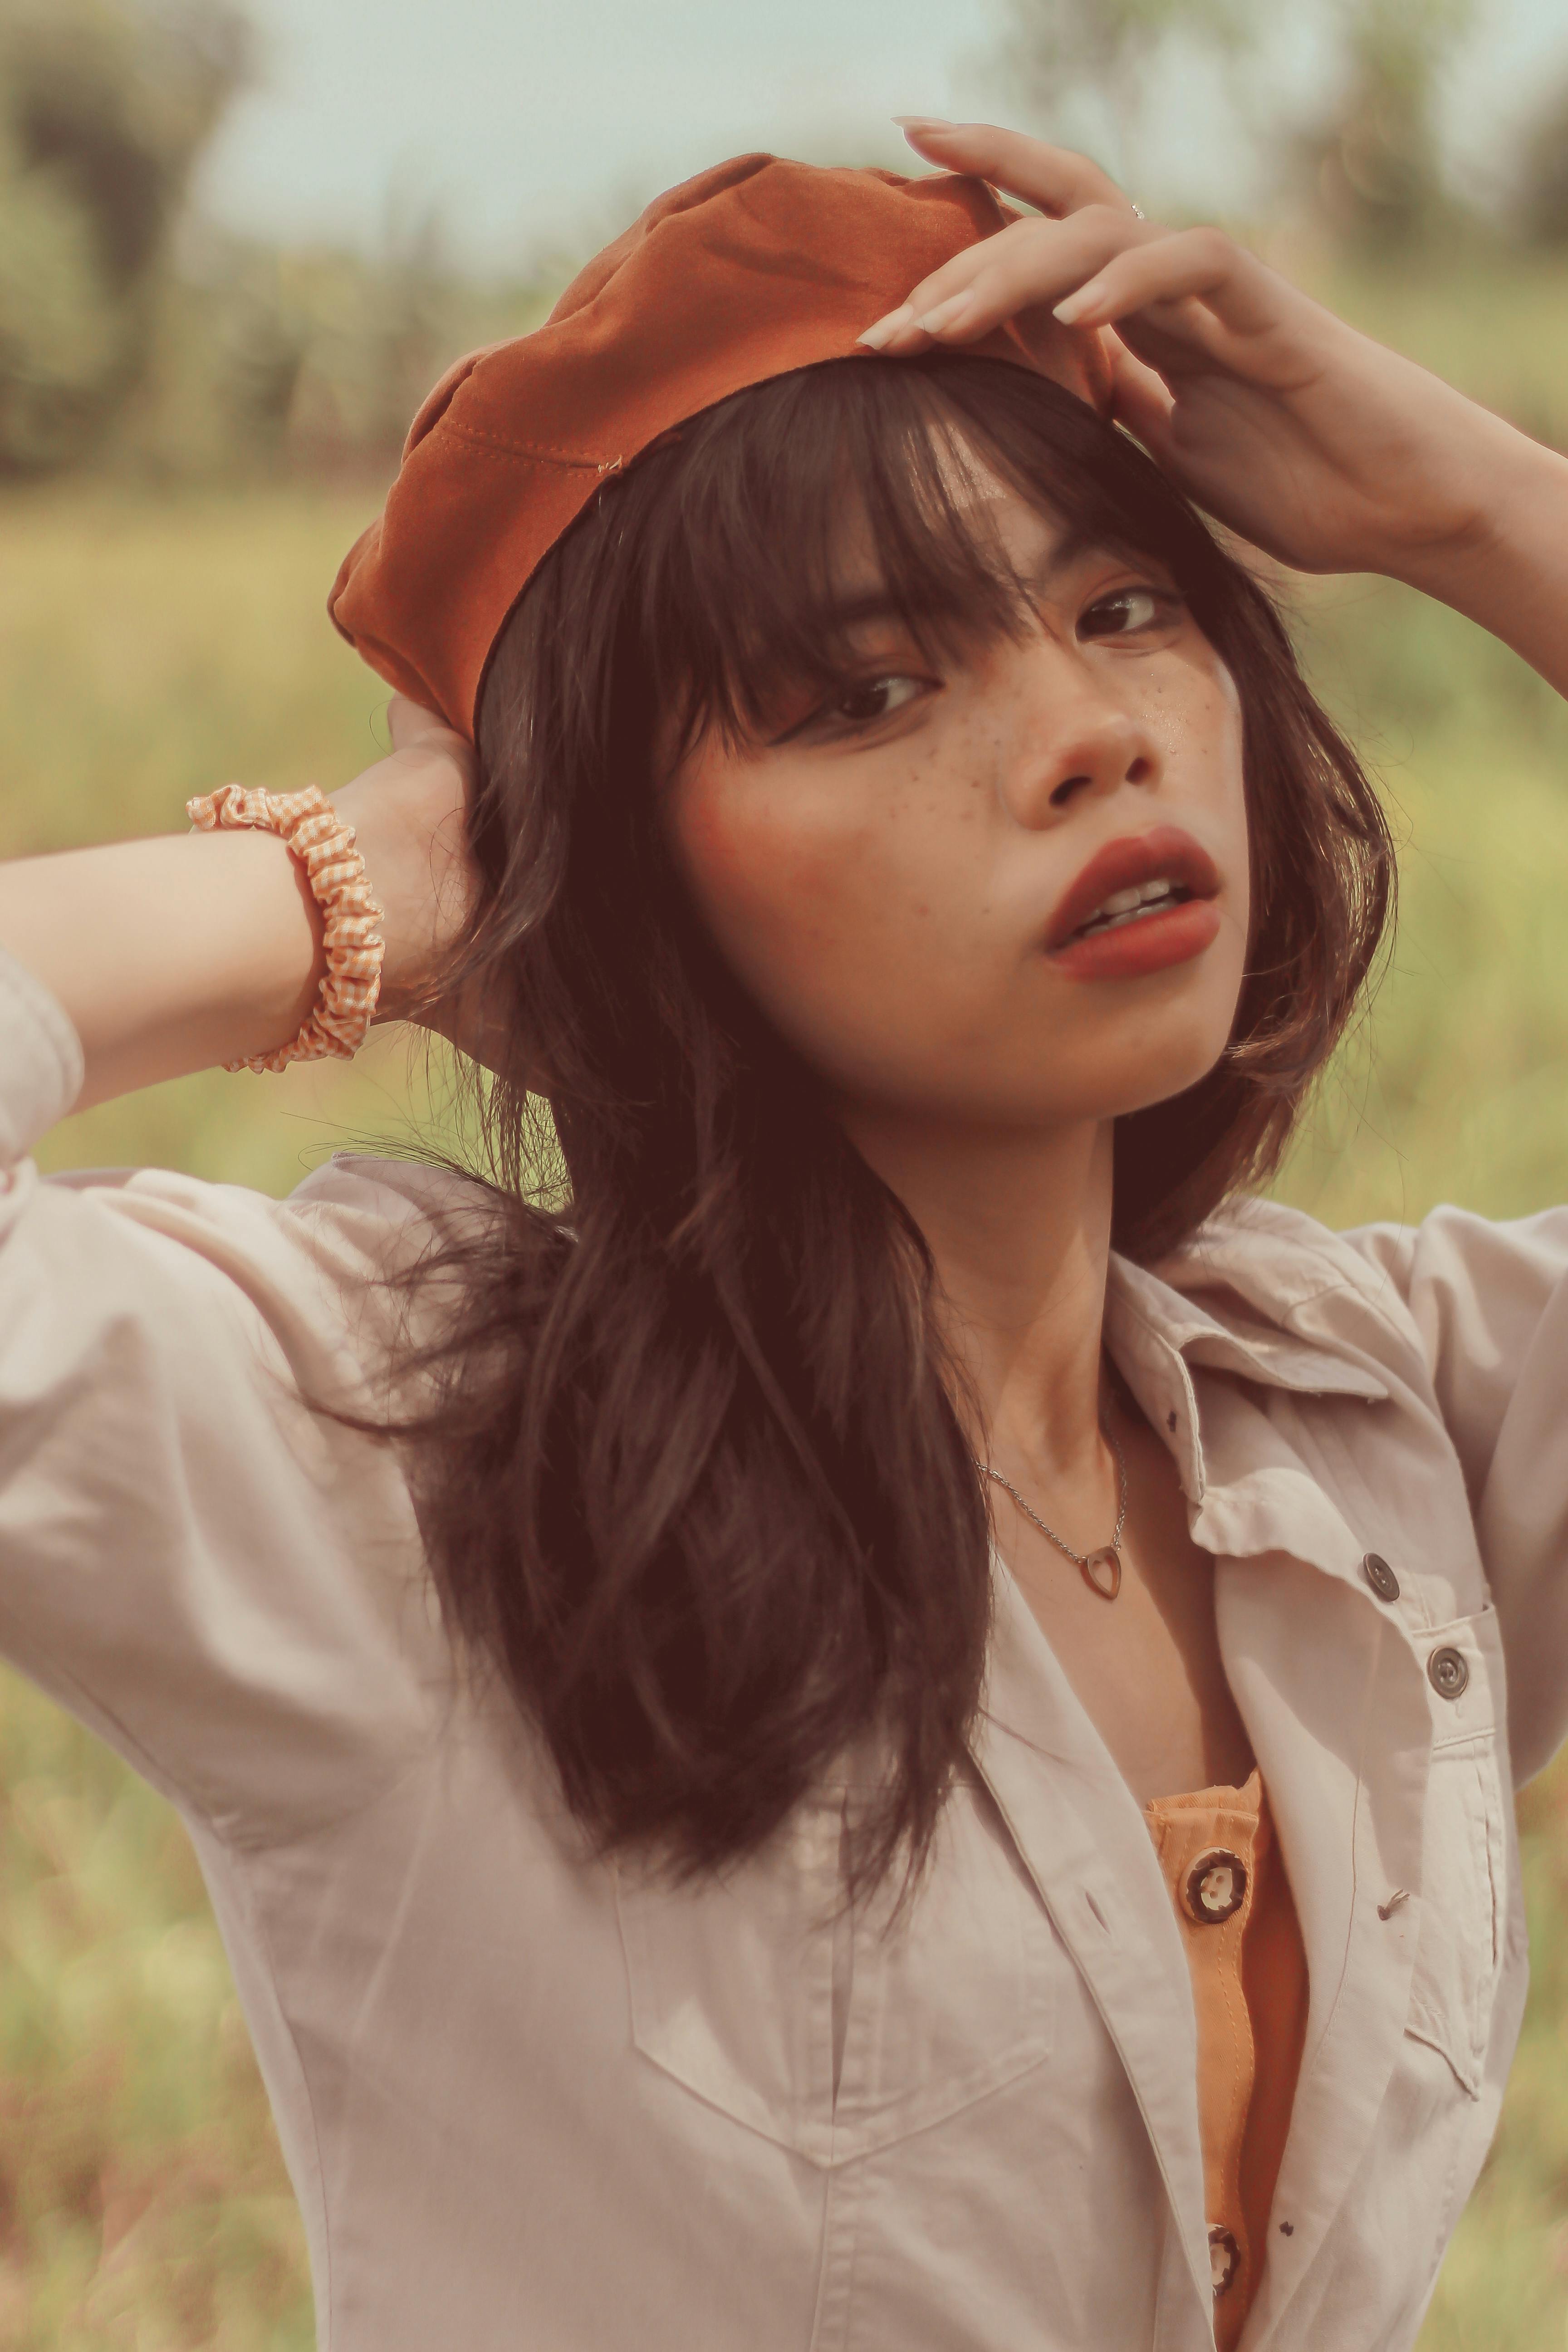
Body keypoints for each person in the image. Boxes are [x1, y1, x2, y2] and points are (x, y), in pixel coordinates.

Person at [0, 115, 1563, 2352]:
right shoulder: (415, 1471)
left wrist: (1479, 508)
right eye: (863, 691)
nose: (1088, 734)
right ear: (616, 868)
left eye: (1127, 606)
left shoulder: (1383, 1432)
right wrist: (363, 883)